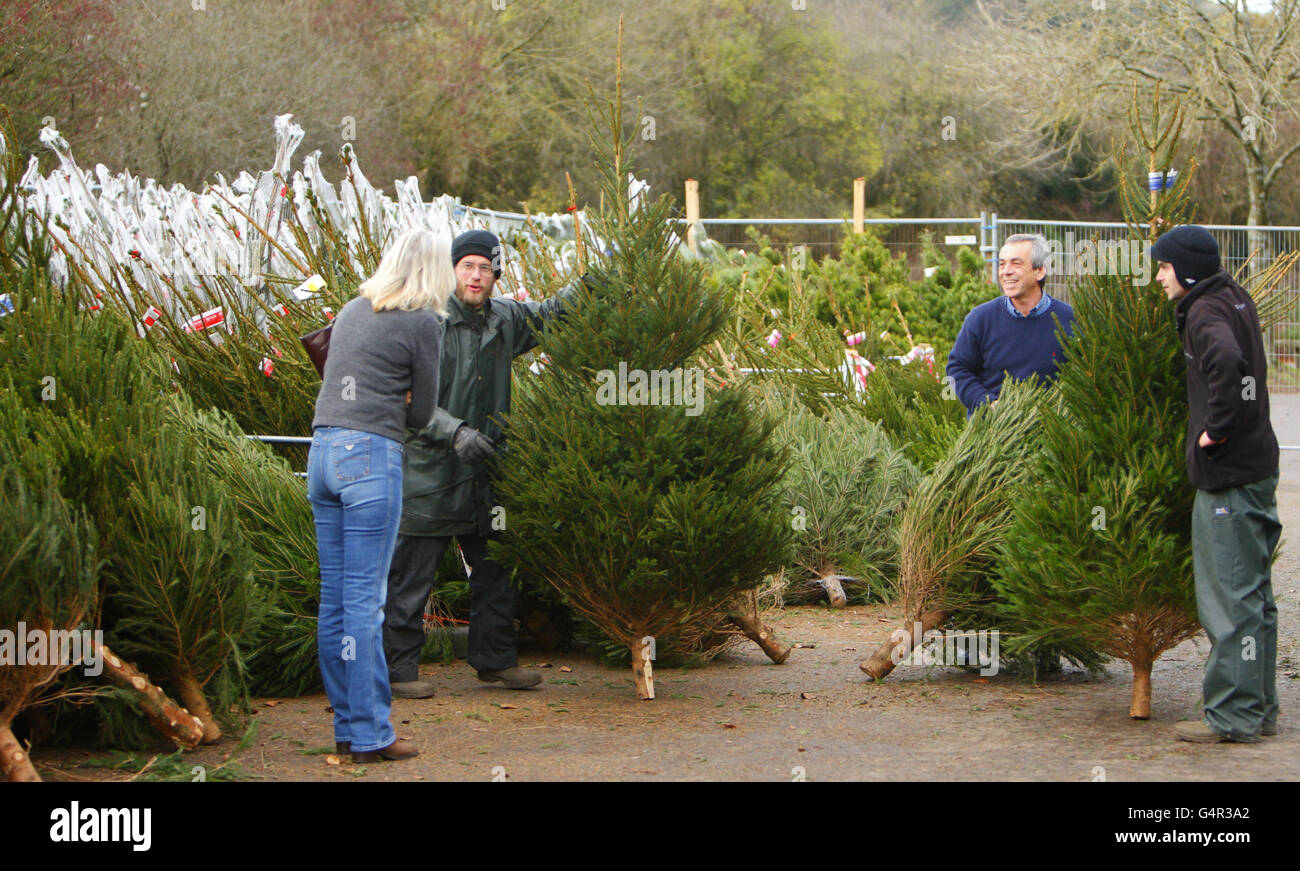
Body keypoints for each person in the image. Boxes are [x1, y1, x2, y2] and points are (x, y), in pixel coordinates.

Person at [384, 229, 586, 697]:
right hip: (430, 474)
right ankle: (399, 671)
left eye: (486, 268)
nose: (477, 276)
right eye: (468, 266)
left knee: (497, 569)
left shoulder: (506, 319)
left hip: (486, 474)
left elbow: (552, 313)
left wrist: (590, 284)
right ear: (452, 270)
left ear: (496, 274)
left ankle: (495, 661)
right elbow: (408, 397)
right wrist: (453, 431)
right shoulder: (428, 322)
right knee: (412, 577)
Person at [308, 228, 453, 762]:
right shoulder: (422, 322)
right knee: (366, 604)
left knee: (336, 602)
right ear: (437, 271)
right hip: (369, 457)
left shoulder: (351, 309)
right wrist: (404, 395)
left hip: (321, 453)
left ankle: (348, 728)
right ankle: (372, 736)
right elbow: (420, 415)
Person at [1153, 224, 1282, 744]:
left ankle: (1232, 716)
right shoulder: (1231, 294)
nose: (1158, 277)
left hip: (1229, 476)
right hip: (1257, 467)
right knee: (1254, 595)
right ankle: (1257, 709)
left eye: (1163, 267)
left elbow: (1228, 361)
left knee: (1230, 597)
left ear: (1185, 270)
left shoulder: (1203, 311)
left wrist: (1215, 430)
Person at [946, 233, 1075, 415]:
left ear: (1040, 270)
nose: (1006, 271)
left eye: (1016, 264)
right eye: (1002, 264)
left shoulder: (1069, 320)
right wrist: (987, 404)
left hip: (1051, 433)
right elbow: (957, 370)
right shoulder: (980, 319)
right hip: (991, 432)